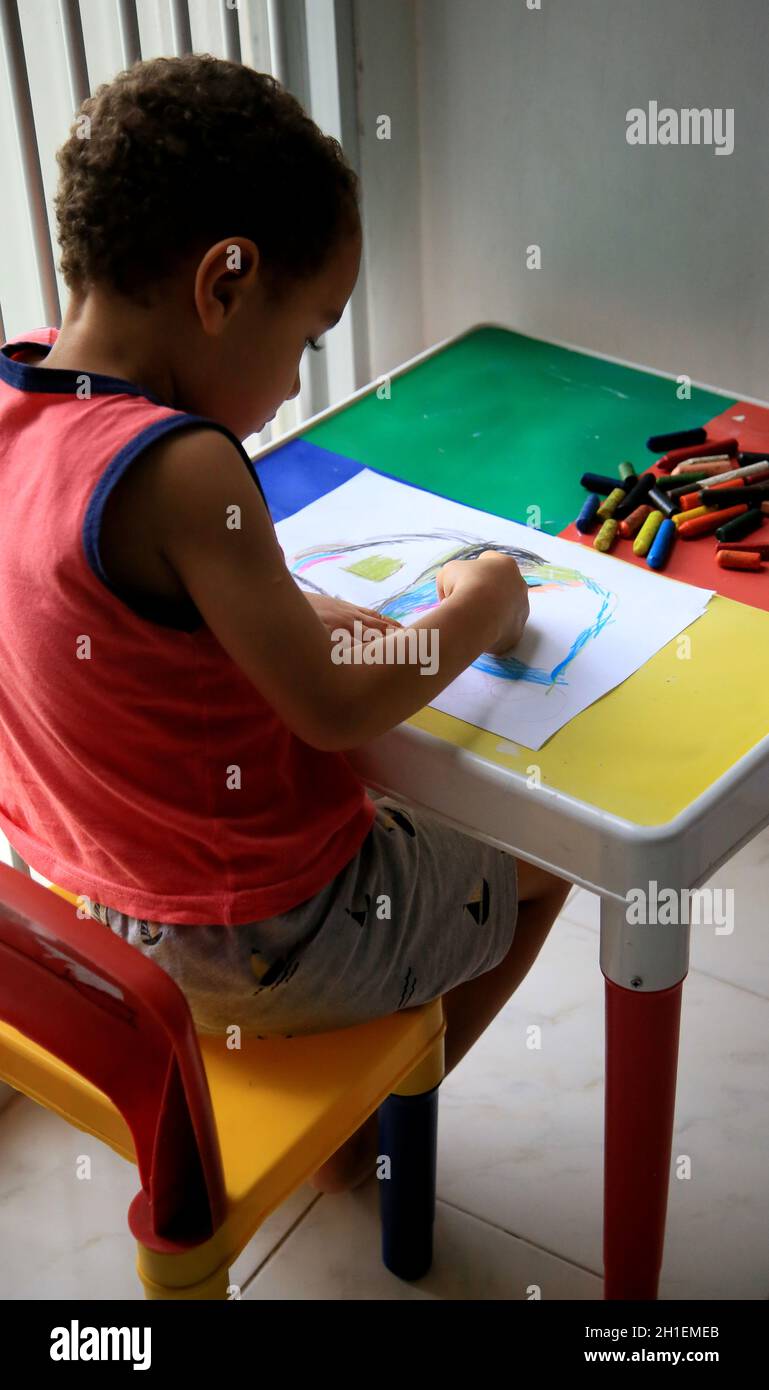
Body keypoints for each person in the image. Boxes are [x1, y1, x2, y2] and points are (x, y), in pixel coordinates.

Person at [0, 55, 570, 1192]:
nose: (299, 386)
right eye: (308, 340)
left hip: (90, 914)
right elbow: (331, 704)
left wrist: (302, 617)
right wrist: (480, 605)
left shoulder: (22, 418)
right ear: (224, 283)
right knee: (547, 858)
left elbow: (115, 611)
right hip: (263, 945)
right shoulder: (183, 464)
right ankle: (368, 1124)